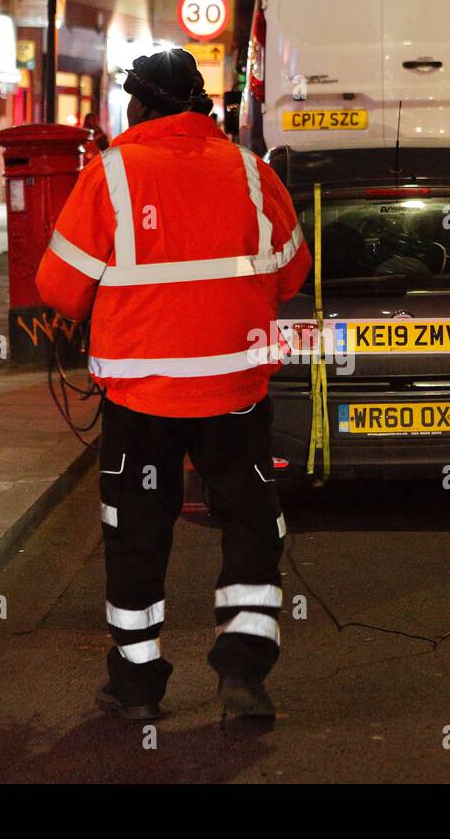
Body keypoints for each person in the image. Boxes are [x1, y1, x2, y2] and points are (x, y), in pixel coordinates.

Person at [36, 49, 311, 720]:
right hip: (234, 396)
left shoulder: (112, 175)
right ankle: (244, 676)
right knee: (250, 525)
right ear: (199, 106)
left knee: (135, 532)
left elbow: (59, 289)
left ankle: (136, 686)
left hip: (141, 399)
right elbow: (290, 273)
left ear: (139, 106)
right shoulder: (252, 172)